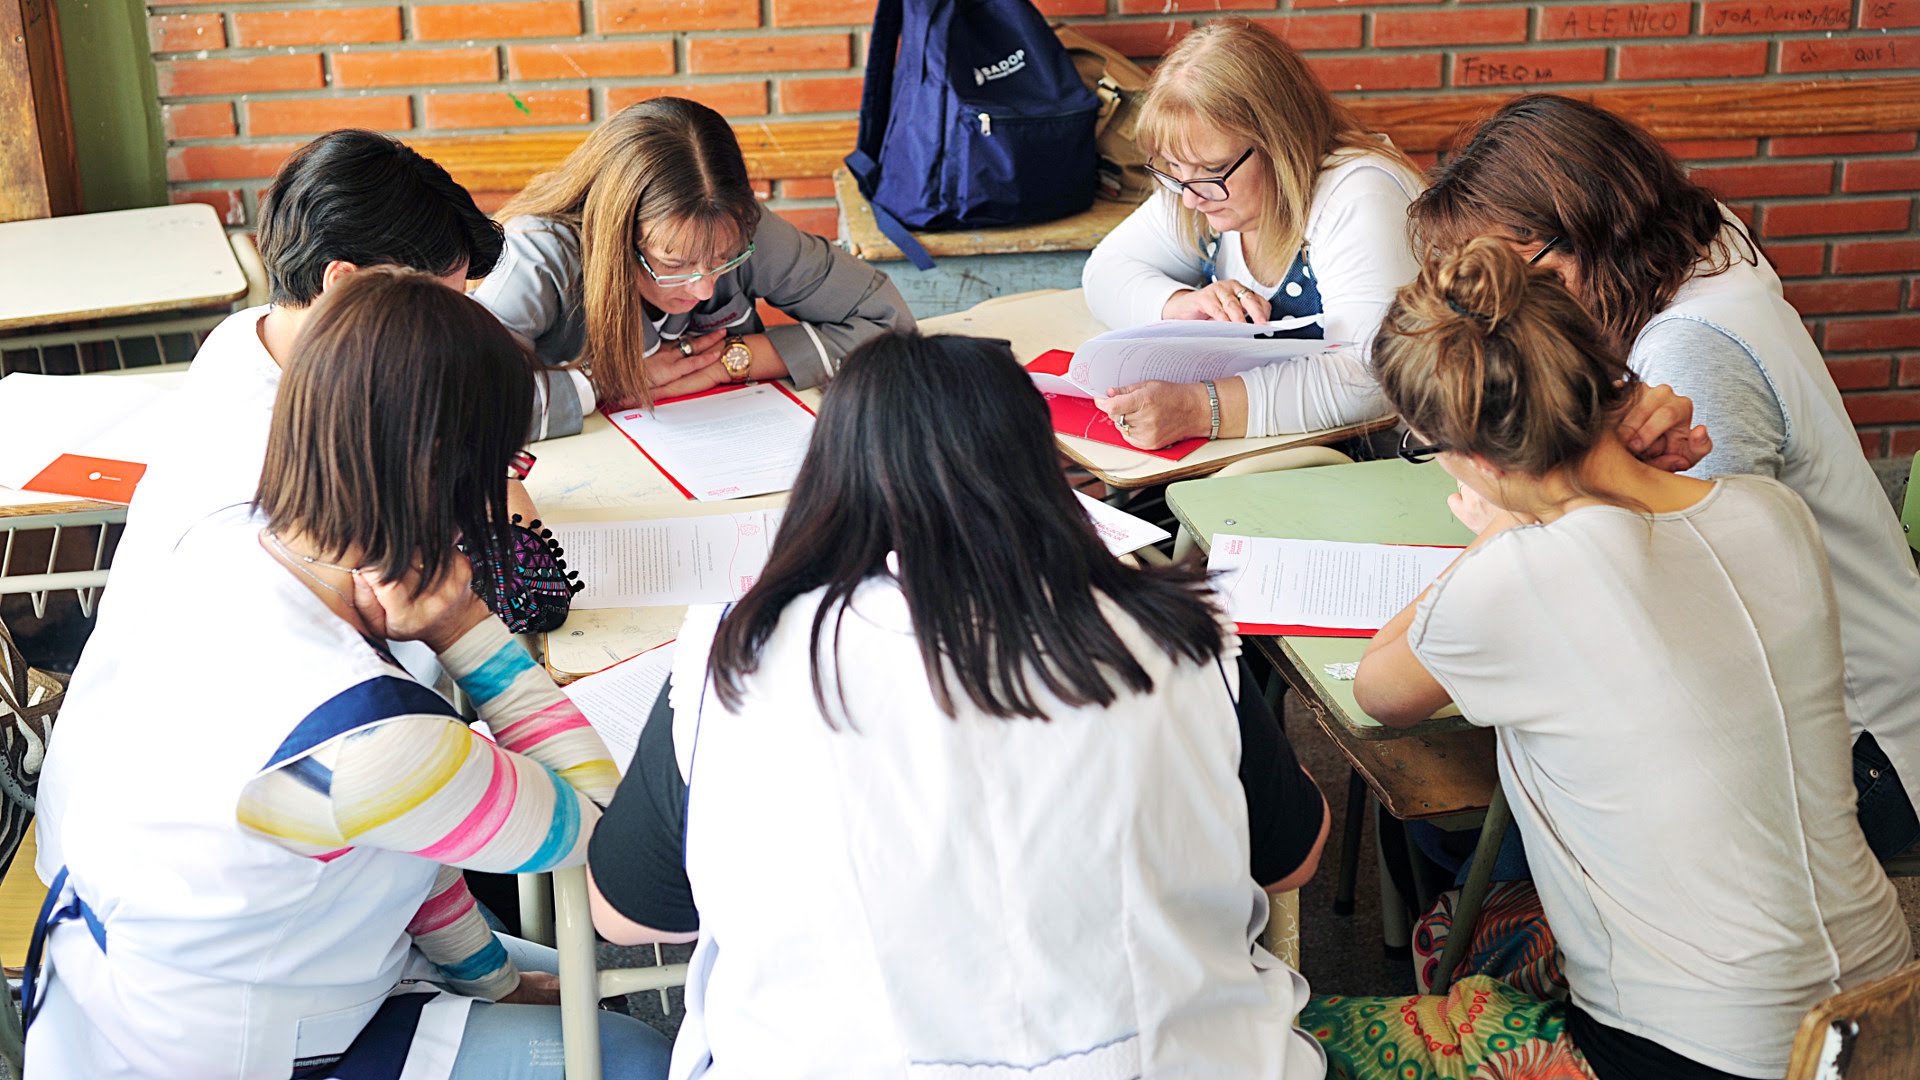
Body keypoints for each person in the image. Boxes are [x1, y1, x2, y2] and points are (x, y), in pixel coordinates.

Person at [581, 331, 1333, 1077]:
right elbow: (1292, 858)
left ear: (831, 472)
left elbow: (630, 914)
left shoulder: (738, 648)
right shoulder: (1174, 630)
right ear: (1046, 471)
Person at [25, 270, 669, 1080]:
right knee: (639, 1057)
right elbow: (607, 837)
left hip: (151, 969)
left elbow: (403, 845)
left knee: (572, 981)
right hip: (222, 1042)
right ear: (443, 468)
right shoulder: (373, 732)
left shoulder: (228, 542)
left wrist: (496, 984)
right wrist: (467, 631)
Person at [1345, 238, 1911, 1079]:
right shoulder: (1771, 510)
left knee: (1336, 1031)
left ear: (1463, 454)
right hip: (1886, 1008)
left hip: (1703, 1050)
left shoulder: (1521, 575)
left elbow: (1378, 690)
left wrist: (1510, 521)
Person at [1409, 93, 1920, 861]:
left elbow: (1685, 619)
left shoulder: (1691, 350)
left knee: (1468, 812)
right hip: (1830, 711)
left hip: (1862, 759)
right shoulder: (1700, 252)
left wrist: (1517, 524)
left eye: (1527, 280)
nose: (1517, 316)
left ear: (1593, 230)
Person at [1078, 18, 1423, 450]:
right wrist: (1178, 306)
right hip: (1271, 460)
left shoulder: (1361, 194)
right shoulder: (1199, 184)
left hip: (1387, 468)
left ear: (1281, 142)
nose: (1190, 200)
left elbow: (1371, 379)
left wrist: (1194, 409)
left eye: (1212, 169)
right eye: (1172, 168)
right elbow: (1104, 271)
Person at [472, 97, 914, 433]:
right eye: (674, 263)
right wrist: (602, 382)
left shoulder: (739, 228)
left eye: (724, 260)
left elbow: (889, 321)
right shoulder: (539, 253)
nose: (703, 290)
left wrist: (733, 360)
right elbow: (452, 402)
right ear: (615, 235)